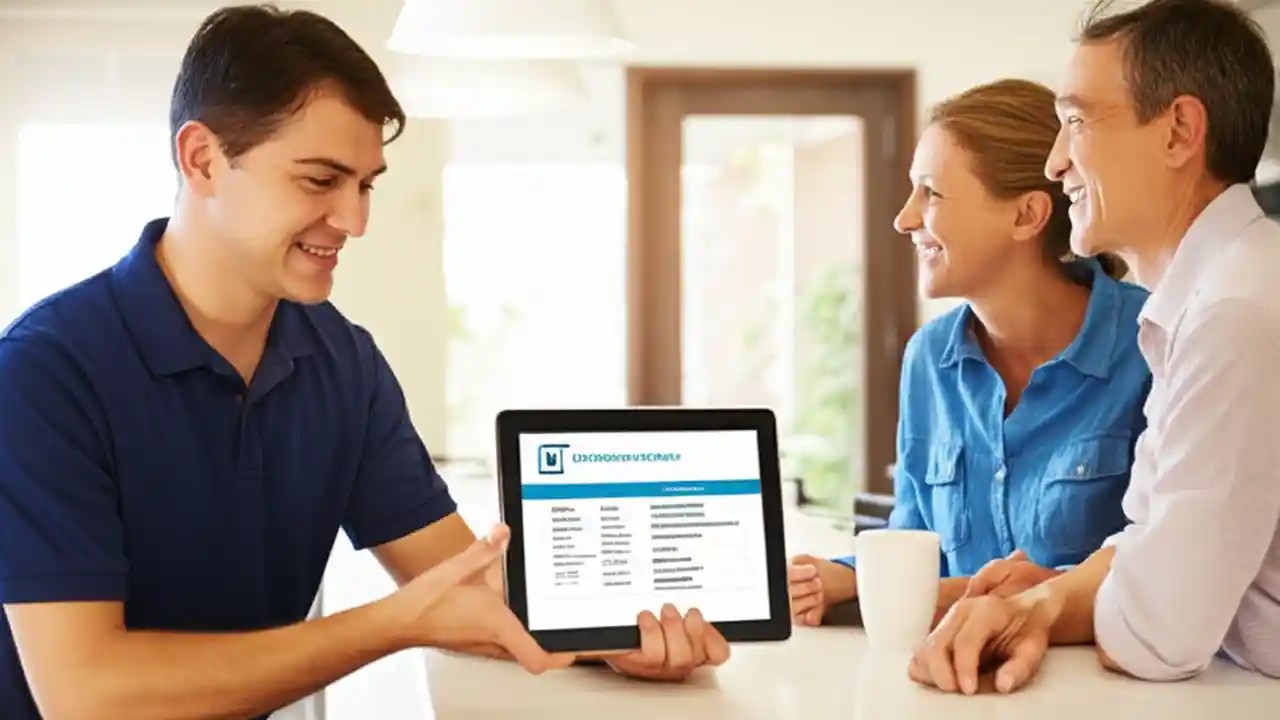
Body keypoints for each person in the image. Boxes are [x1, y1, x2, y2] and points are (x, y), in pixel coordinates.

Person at [0, 6, 726, 719]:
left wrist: (616, 638)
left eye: (366, 184)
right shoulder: (45, 373)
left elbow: (462, 585)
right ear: (203, 160)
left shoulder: (341, 363)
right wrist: (393, 623)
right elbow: (89, 695)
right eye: (320, 181)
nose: (354, 220)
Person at [909, 0, 1280, 695]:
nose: (1055, 164)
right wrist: (1047, 600)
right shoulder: (1209, 299)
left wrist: (1048, 605)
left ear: (1179, 132)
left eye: (1076, 122)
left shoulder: (1233, 312)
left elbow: (1159, 633)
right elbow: (1146, 544)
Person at [788, 78, 1151, 627]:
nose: (904, 219)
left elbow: (1168, 568)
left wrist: (1003, 596)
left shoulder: (1152, 342)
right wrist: (841, 576)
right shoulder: (930, 358)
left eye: (931, 193)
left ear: (1026, 215)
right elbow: (916, 547)